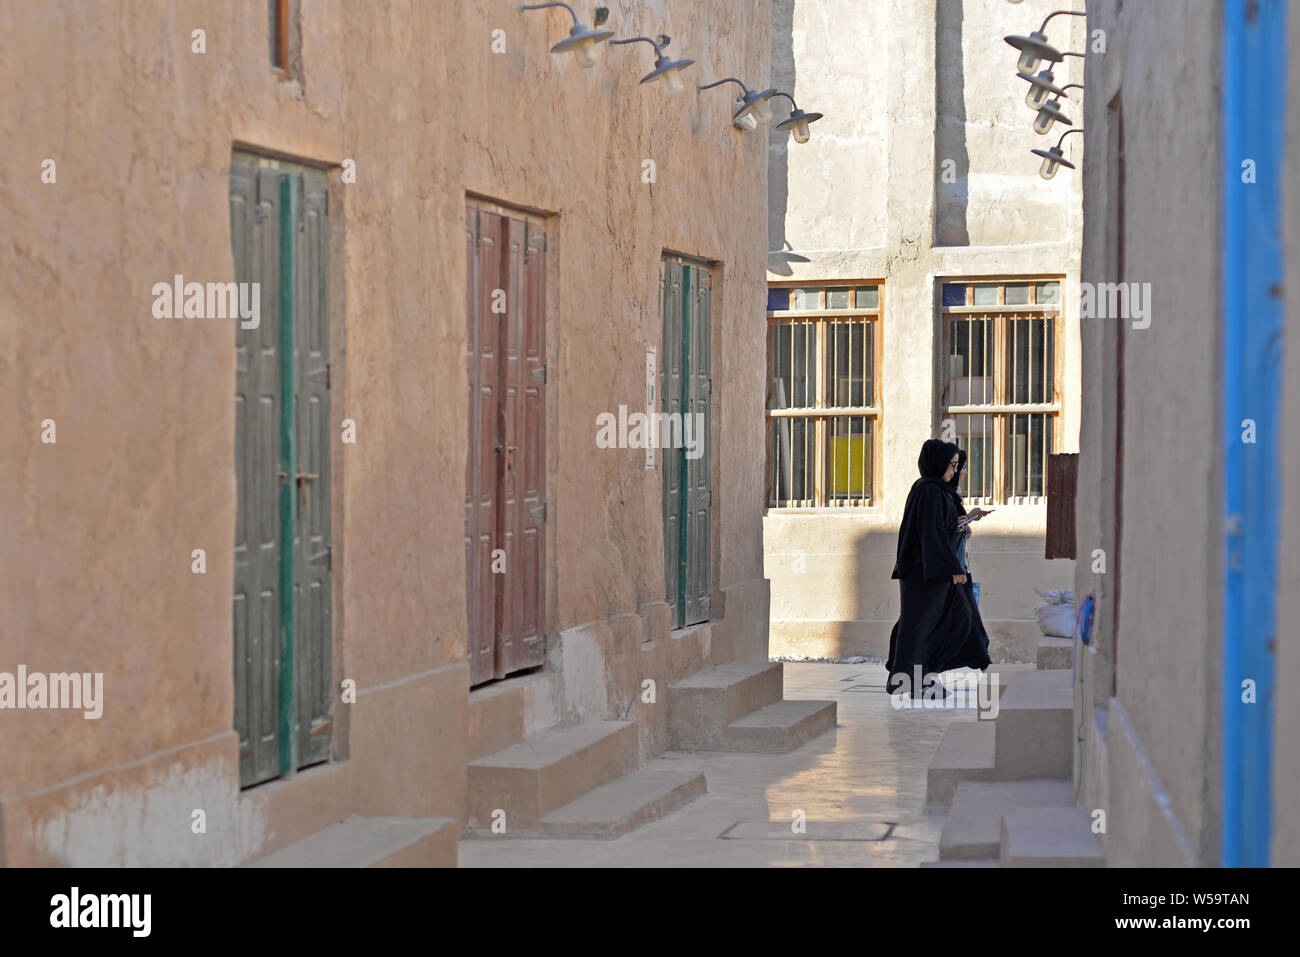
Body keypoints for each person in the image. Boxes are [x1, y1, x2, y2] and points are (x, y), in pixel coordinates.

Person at [885, 439, 991, 699]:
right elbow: (931, 535)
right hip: (925, 574)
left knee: (958, 620)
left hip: (938, 571)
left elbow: (943, 527)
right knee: (921, 627)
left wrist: (966, 522)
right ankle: (915, 683)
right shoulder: (928, 491)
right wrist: (950, 566)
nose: (955, 471)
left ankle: (928, 675)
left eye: (957, 465)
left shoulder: (938, 491)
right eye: (952, 465)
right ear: (938, 463)